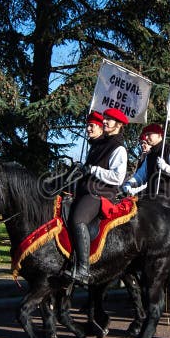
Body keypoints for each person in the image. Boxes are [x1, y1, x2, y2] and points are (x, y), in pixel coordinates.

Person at [68, 108, 128, 284]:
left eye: (109, 120)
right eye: (106, 118)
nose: (105, 121)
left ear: (119, 125)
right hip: (86, 190)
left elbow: (118, 177)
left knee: (78, 219)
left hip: (100, 194)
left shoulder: (119, 148)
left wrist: (93, 170)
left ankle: (83, 269)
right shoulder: (99, 144)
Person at [122, 123, 170, 199]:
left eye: (149, 134)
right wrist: (130, 183)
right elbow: (141, 175)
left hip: (169, 198)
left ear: (159, 134)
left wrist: (166, 167)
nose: (146, 137)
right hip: (152, 197)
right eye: (146, 135)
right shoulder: (149, 155)